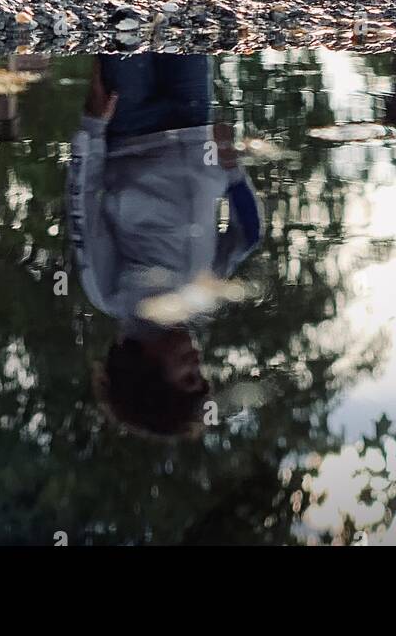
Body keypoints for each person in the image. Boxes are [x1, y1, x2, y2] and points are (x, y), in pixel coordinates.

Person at [66, 54, 262, 438]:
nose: (198, 362)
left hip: (129, 128)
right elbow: (248, 235)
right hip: (193, 122)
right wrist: (230, 165)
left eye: (189, 376)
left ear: (147, 376)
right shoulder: (200, 296)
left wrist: (92, 127)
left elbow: (82, 209)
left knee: (126, 21)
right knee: (187, 12)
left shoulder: (111, 294)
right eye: (201, 373)